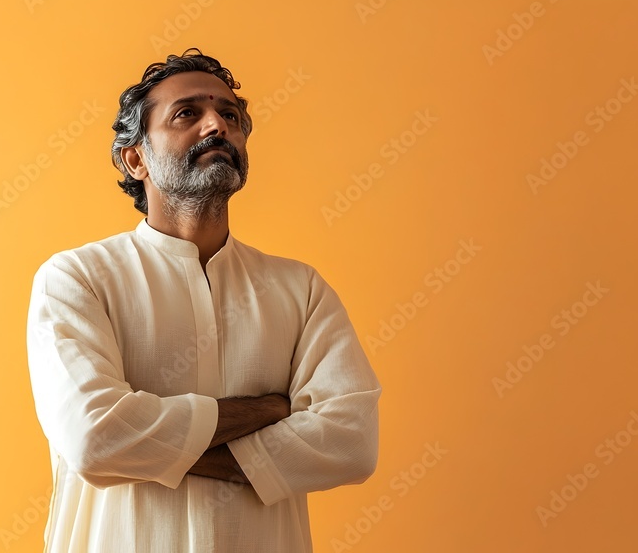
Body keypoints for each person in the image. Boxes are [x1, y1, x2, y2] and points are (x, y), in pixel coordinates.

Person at [26, 47, 381, 552]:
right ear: (135, 158)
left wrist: (151, 448)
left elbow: (351, 442)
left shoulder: (300, 289)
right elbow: (95, 437)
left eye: (230, 115)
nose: (216, 125)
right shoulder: (78, 279)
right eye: (187, 113)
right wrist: (270, 411)